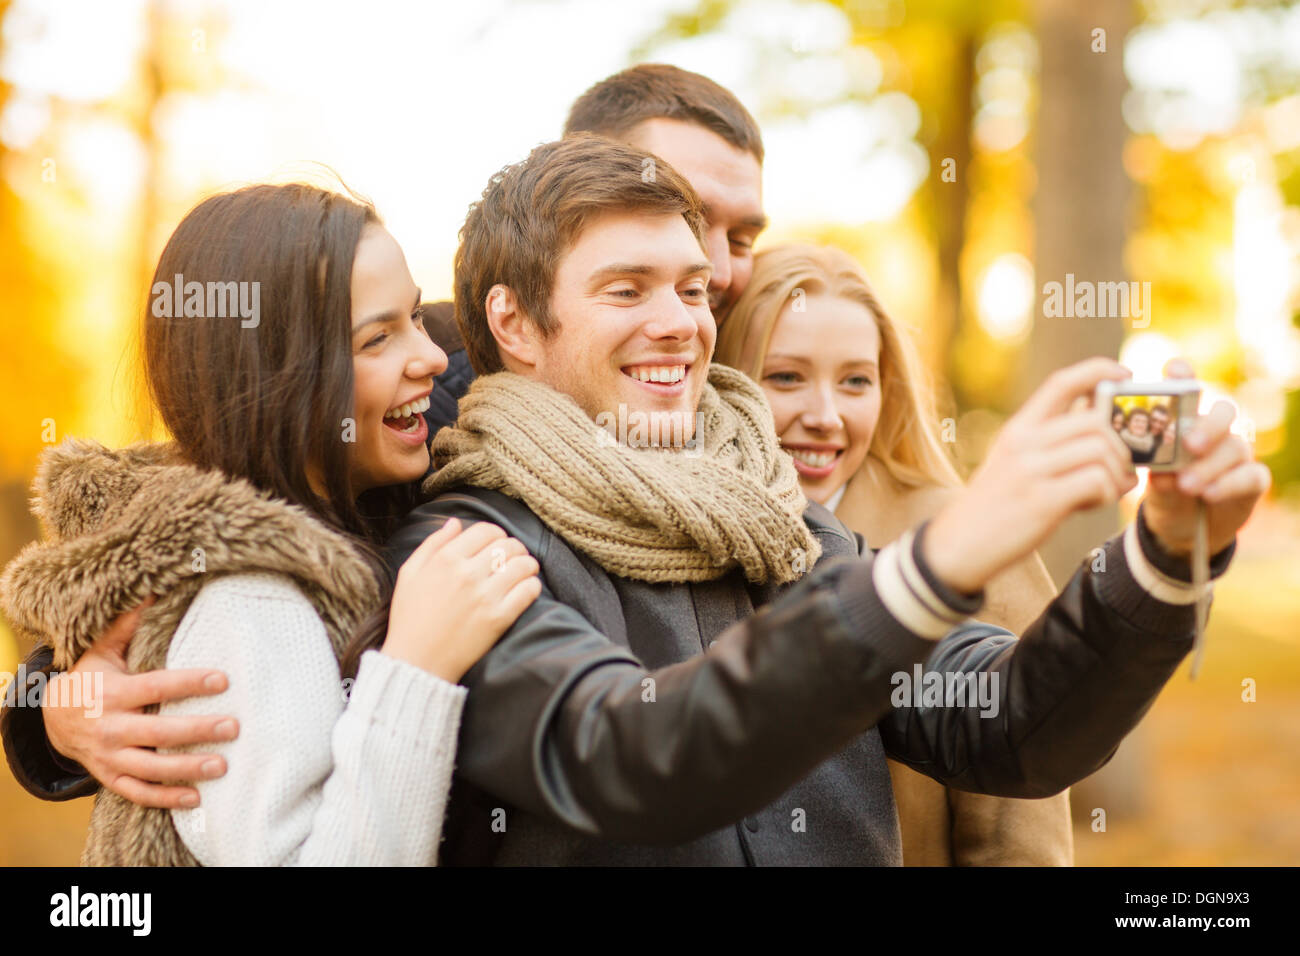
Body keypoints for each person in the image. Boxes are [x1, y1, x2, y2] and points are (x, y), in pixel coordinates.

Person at [380, 134, 1263, 865]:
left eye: (692, 288)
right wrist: (938, 563)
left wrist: (1160, 556)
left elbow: (1016, 727)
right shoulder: (463, 545)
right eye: (627, 289)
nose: (681, 322)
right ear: (515, 324)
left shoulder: (783, 518)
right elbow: (635, 757)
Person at [1, 60, 770, 812]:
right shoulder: (444, 366)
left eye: (741, 235)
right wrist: (49, 710)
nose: (722, 266)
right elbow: (211, 501)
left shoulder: (782, 369)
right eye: (682, 210)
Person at [0, 184, 541, 864]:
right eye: (378, 335)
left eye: (413, 317)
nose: (431, 355)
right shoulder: (250, 597)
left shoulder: (336, 499)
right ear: (281, 377)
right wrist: (417, 667)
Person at [714, 243, 1072, 865]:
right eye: (786, 377)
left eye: (856, 381)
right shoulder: (686, 531)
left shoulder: (966, 535)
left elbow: (1020, 828)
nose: (825, 416)